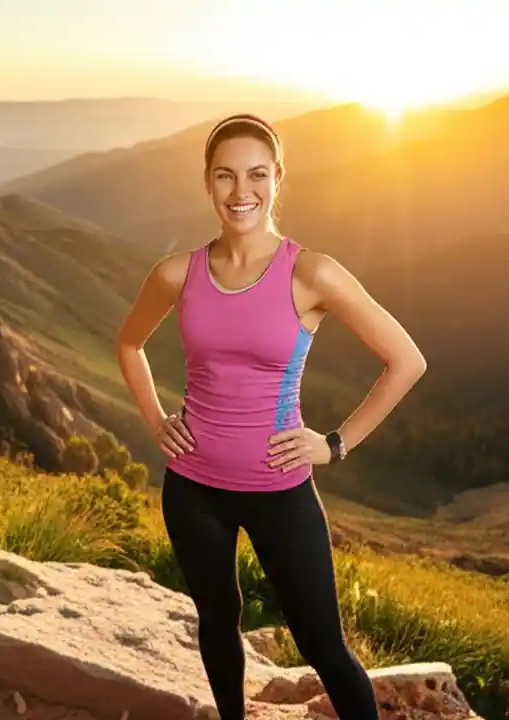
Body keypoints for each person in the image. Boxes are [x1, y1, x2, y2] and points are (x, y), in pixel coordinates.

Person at [115, 113, 427, 720]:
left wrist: (335, 444)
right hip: (193, 488)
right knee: (218, 620)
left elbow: (406, 361)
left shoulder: (312, 272)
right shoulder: (177, 272)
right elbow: (129, 345)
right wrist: (156, 420)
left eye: (257, 174)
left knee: (323, 645)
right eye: (226, 176)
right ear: (207, 181)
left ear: (278, 178)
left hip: (280, 490)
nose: (241, 191)